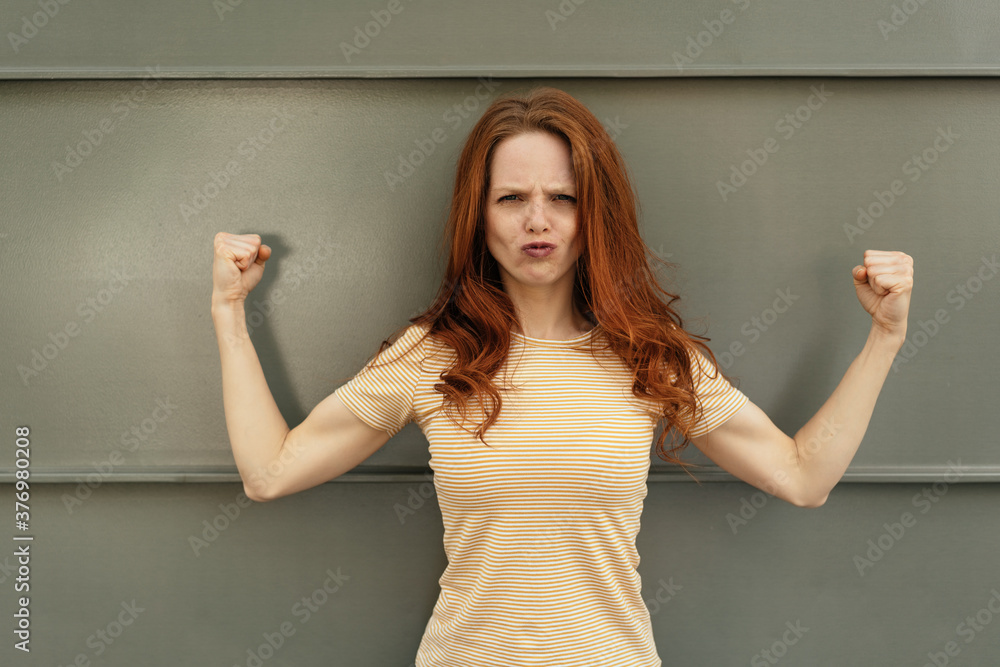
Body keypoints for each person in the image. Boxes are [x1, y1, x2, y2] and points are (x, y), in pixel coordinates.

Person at [211, 86, 913, 666]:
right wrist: (229, 312)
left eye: (563, 198)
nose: (537, 221)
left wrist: (885, 335)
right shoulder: (432, 357)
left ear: (593, 214)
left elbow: (801, 476)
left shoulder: (651, 357)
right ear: (478, 215)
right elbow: (268, 471)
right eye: (511, 198)